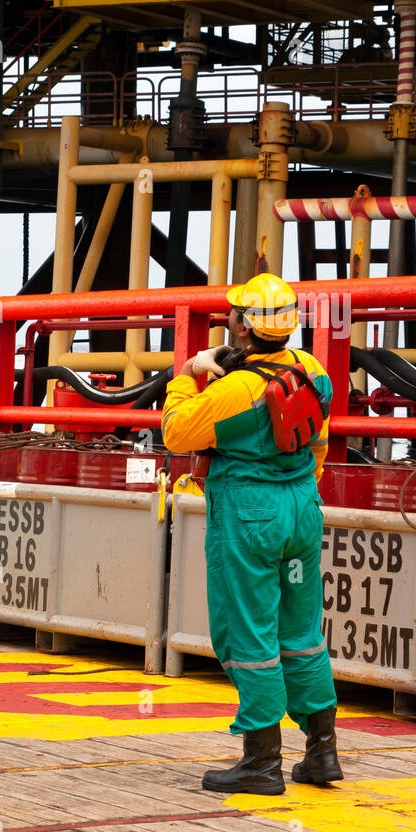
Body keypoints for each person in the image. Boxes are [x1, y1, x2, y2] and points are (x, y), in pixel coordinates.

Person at [161, 272, 342, 795]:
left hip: (248, 512)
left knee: (249, 636)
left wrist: (191, 372)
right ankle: (321, 752)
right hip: (302, 508)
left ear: (241, 328)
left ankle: (261, 763)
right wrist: (300, 492)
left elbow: (176, 432)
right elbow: (319, 443)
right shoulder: (312, 371)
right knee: (302, 632)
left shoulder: (238, 389)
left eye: (233, 316)